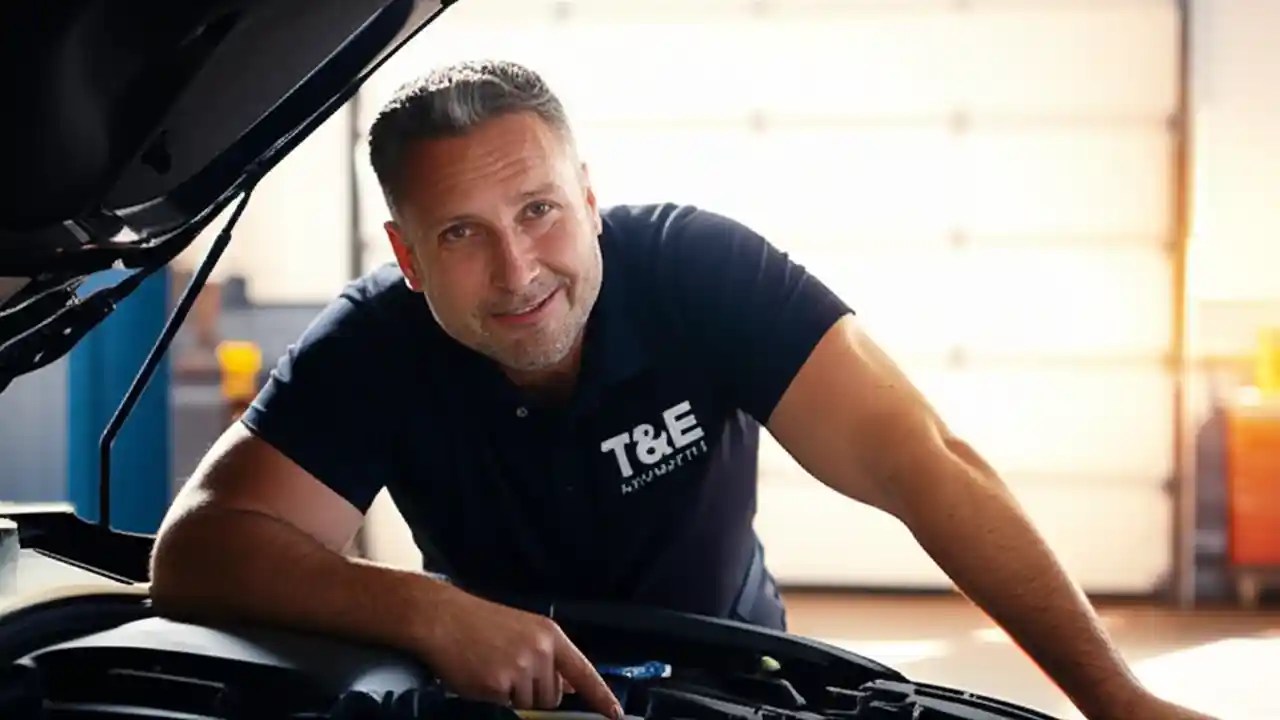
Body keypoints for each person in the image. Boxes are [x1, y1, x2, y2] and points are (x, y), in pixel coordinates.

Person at [149, 60, 1211, 720]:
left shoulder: (699, 272)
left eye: (536, 212)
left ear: (589, 197)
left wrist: (1115, 701)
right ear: (408, 254)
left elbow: (917, 466)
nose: (516, 274)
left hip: (738, 683)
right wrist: (429, 614)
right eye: (461, 236)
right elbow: (196, 551)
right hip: (503, 698)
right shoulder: (372, 343)